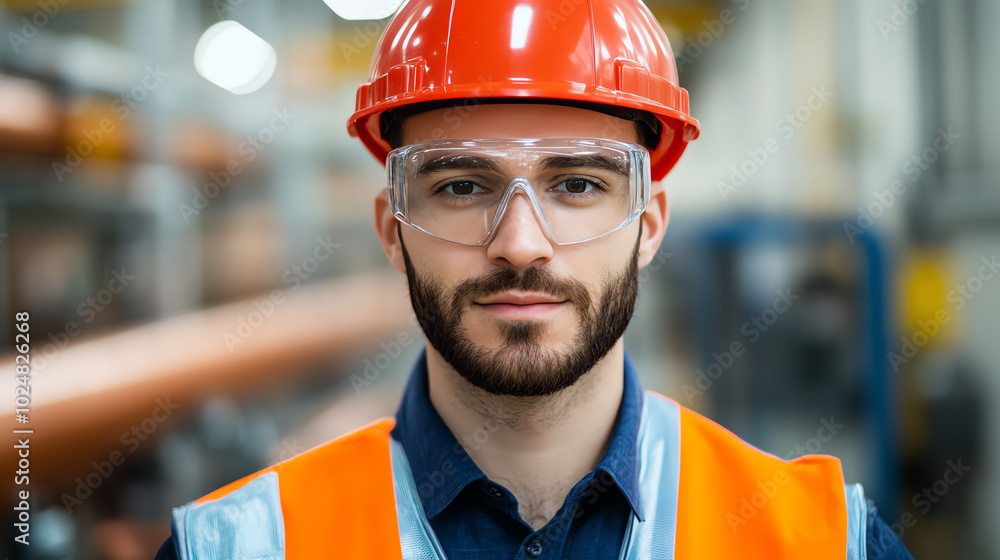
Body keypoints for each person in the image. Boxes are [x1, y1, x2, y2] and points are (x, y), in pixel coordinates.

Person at [156, 0, 914, 558]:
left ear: (649, 226)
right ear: (392, 231)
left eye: (578, 184)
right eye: (461, 186)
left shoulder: (821, 541)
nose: (520, 245)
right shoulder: (240, 545)